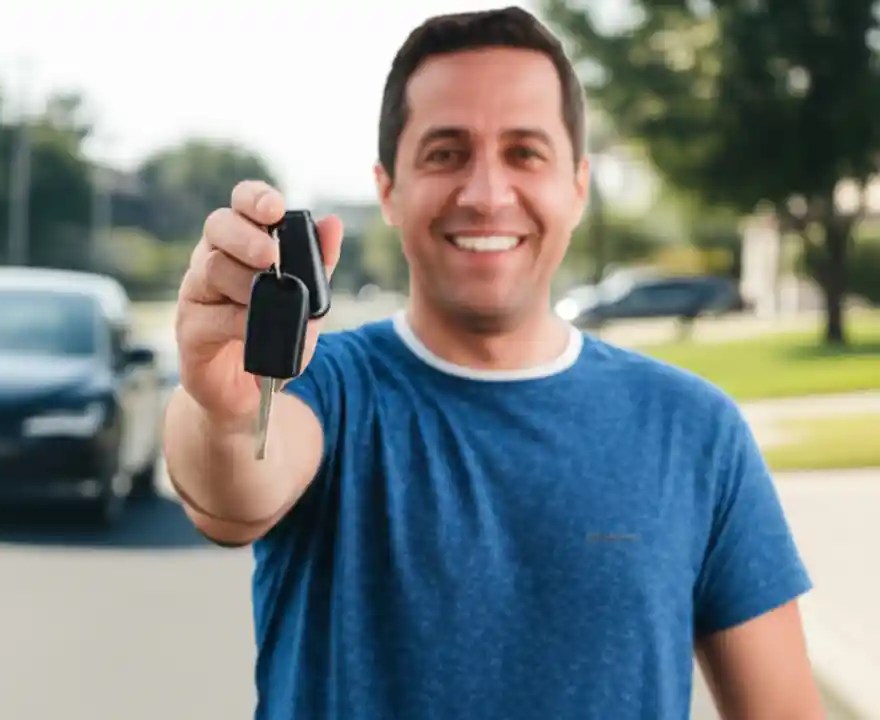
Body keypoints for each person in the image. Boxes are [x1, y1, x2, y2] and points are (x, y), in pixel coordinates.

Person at [162, 6, 823, 719]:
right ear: (388, 187)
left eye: (524, 152)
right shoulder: (321, 386)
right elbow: (229, 493)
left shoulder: (697, 431)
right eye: (446, 152)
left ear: (577, 184)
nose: (484, 194)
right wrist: (226, 412)